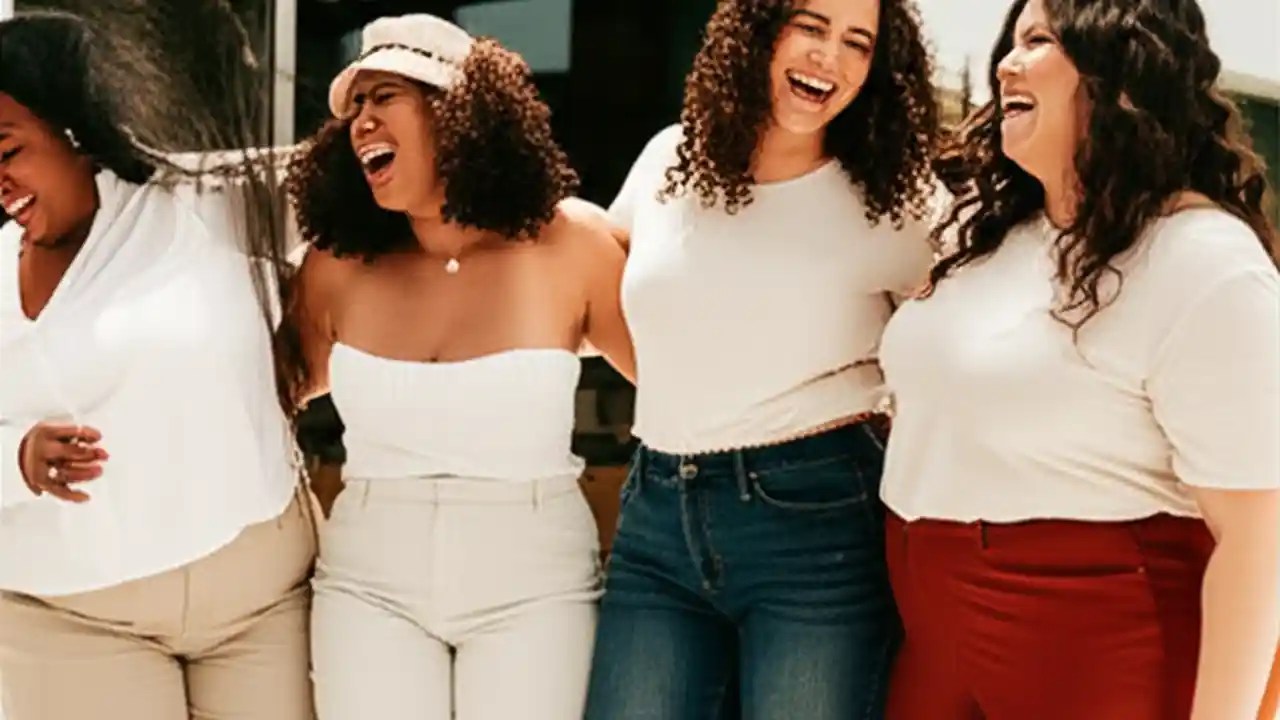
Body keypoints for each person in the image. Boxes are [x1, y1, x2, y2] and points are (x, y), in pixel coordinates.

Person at [878, 0, 1280, 718]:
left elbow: (1257, 535)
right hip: (930, 631)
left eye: (1038, 40)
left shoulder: (1204, 262)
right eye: (1012, 40)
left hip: (1095, 637)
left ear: (1118, 71)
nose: (1006, 61)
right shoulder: (989, 235)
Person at [582, 0, 940, 717]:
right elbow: (593, 288)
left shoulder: (897, 198)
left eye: (856, 43)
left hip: (816, 526)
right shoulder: (668, 159)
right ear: (754, 31)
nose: (828, 58)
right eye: (809, 26)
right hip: (656, 515)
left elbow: (959, 350)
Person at [283, 13, 634, 720]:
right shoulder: (336, 265)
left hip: (536, 582)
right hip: (368, 579)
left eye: (385, 98)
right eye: (355, 106)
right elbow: (260, 400)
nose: (361, 122)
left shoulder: (573, 245)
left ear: (460, 114)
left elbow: (693, 391)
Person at [0, 10, 315, 720]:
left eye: (7, 148)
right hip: (70, 619)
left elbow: (375, 194)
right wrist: (16, 458)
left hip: (257, 607)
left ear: (74, 131)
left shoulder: (205, 208)